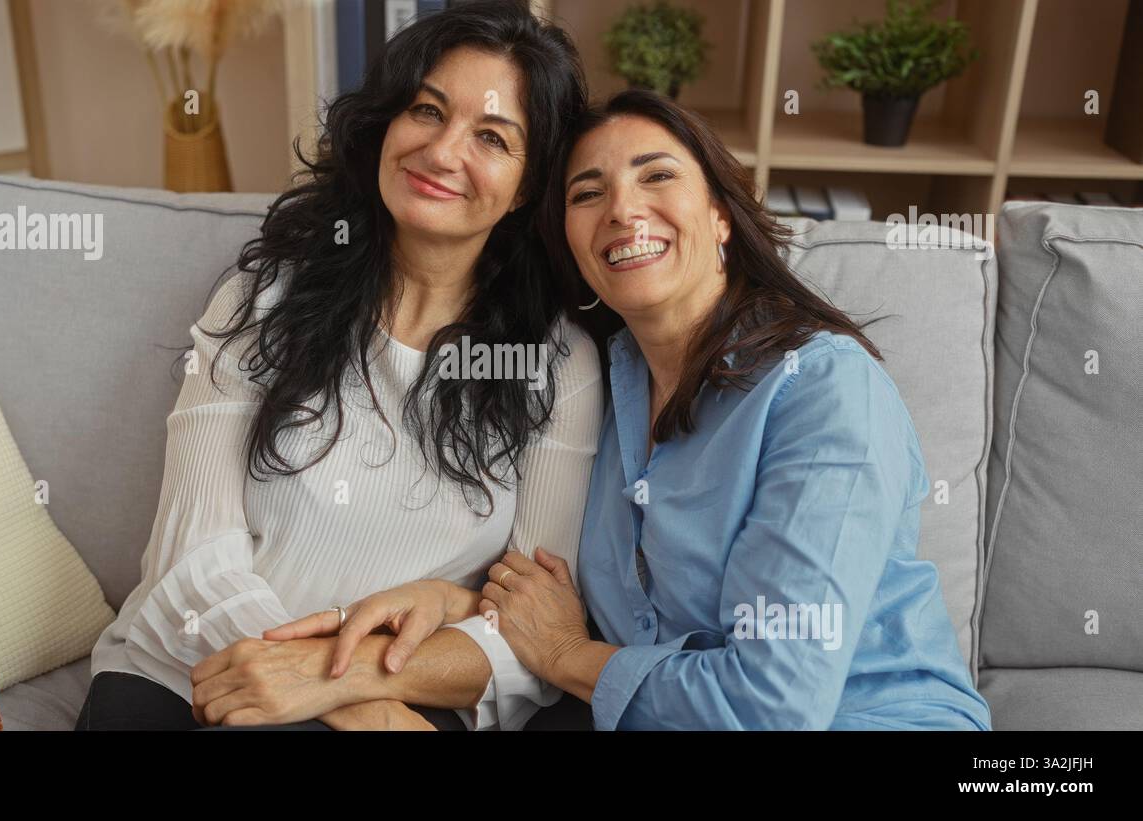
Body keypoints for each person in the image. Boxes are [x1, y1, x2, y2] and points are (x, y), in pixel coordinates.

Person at [313, 90, 992, 731]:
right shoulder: (596, 388)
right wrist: (451, 601)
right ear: (572, 247)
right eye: (588, 193)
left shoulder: (822, 389)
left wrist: (567, 656)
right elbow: (568, 605)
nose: (622, 210)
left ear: (722, 214)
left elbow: (772, 706)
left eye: (657, 176)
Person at [75, 0, 601, 732]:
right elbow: (186, 560)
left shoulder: (557, 363)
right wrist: (345, 692)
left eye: (490, 135)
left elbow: (532, 627)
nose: (443, 152)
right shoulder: (264, 297)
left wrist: (342, 690)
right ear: (386, 122)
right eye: (427, 110)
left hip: (402, 690)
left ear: (526, 188)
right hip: (185, 667)